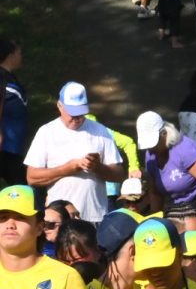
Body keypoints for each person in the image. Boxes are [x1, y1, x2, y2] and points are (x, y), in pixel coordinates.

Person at [24, 82, 125, 222]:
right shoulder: (46, 132)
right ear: (60, 106)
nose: (77, 118)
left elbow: (119, 174)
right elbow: (32, 177)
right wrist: (69, 168)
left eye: (81, 113)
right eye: (73, 113)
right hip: (60, 219)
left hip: (95, 217)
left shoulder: (100, 131)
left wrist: (97, 167)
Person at [136, 112, 196, 217]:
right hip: (175, 213)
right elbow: (156, 193)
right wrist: (155, 221)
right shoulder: (150, 156)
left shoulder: (185, 149)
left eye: (153, 144)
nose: (150, 149)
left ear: (164, 134)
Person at [0, 38, 28, 184]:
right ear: (10, 56)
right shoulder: (2, 79)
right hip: (5, 148)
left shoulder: (10, 77)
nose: (21, 56)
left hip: (14, 149)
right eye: (19, 53)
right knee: (23, 192)